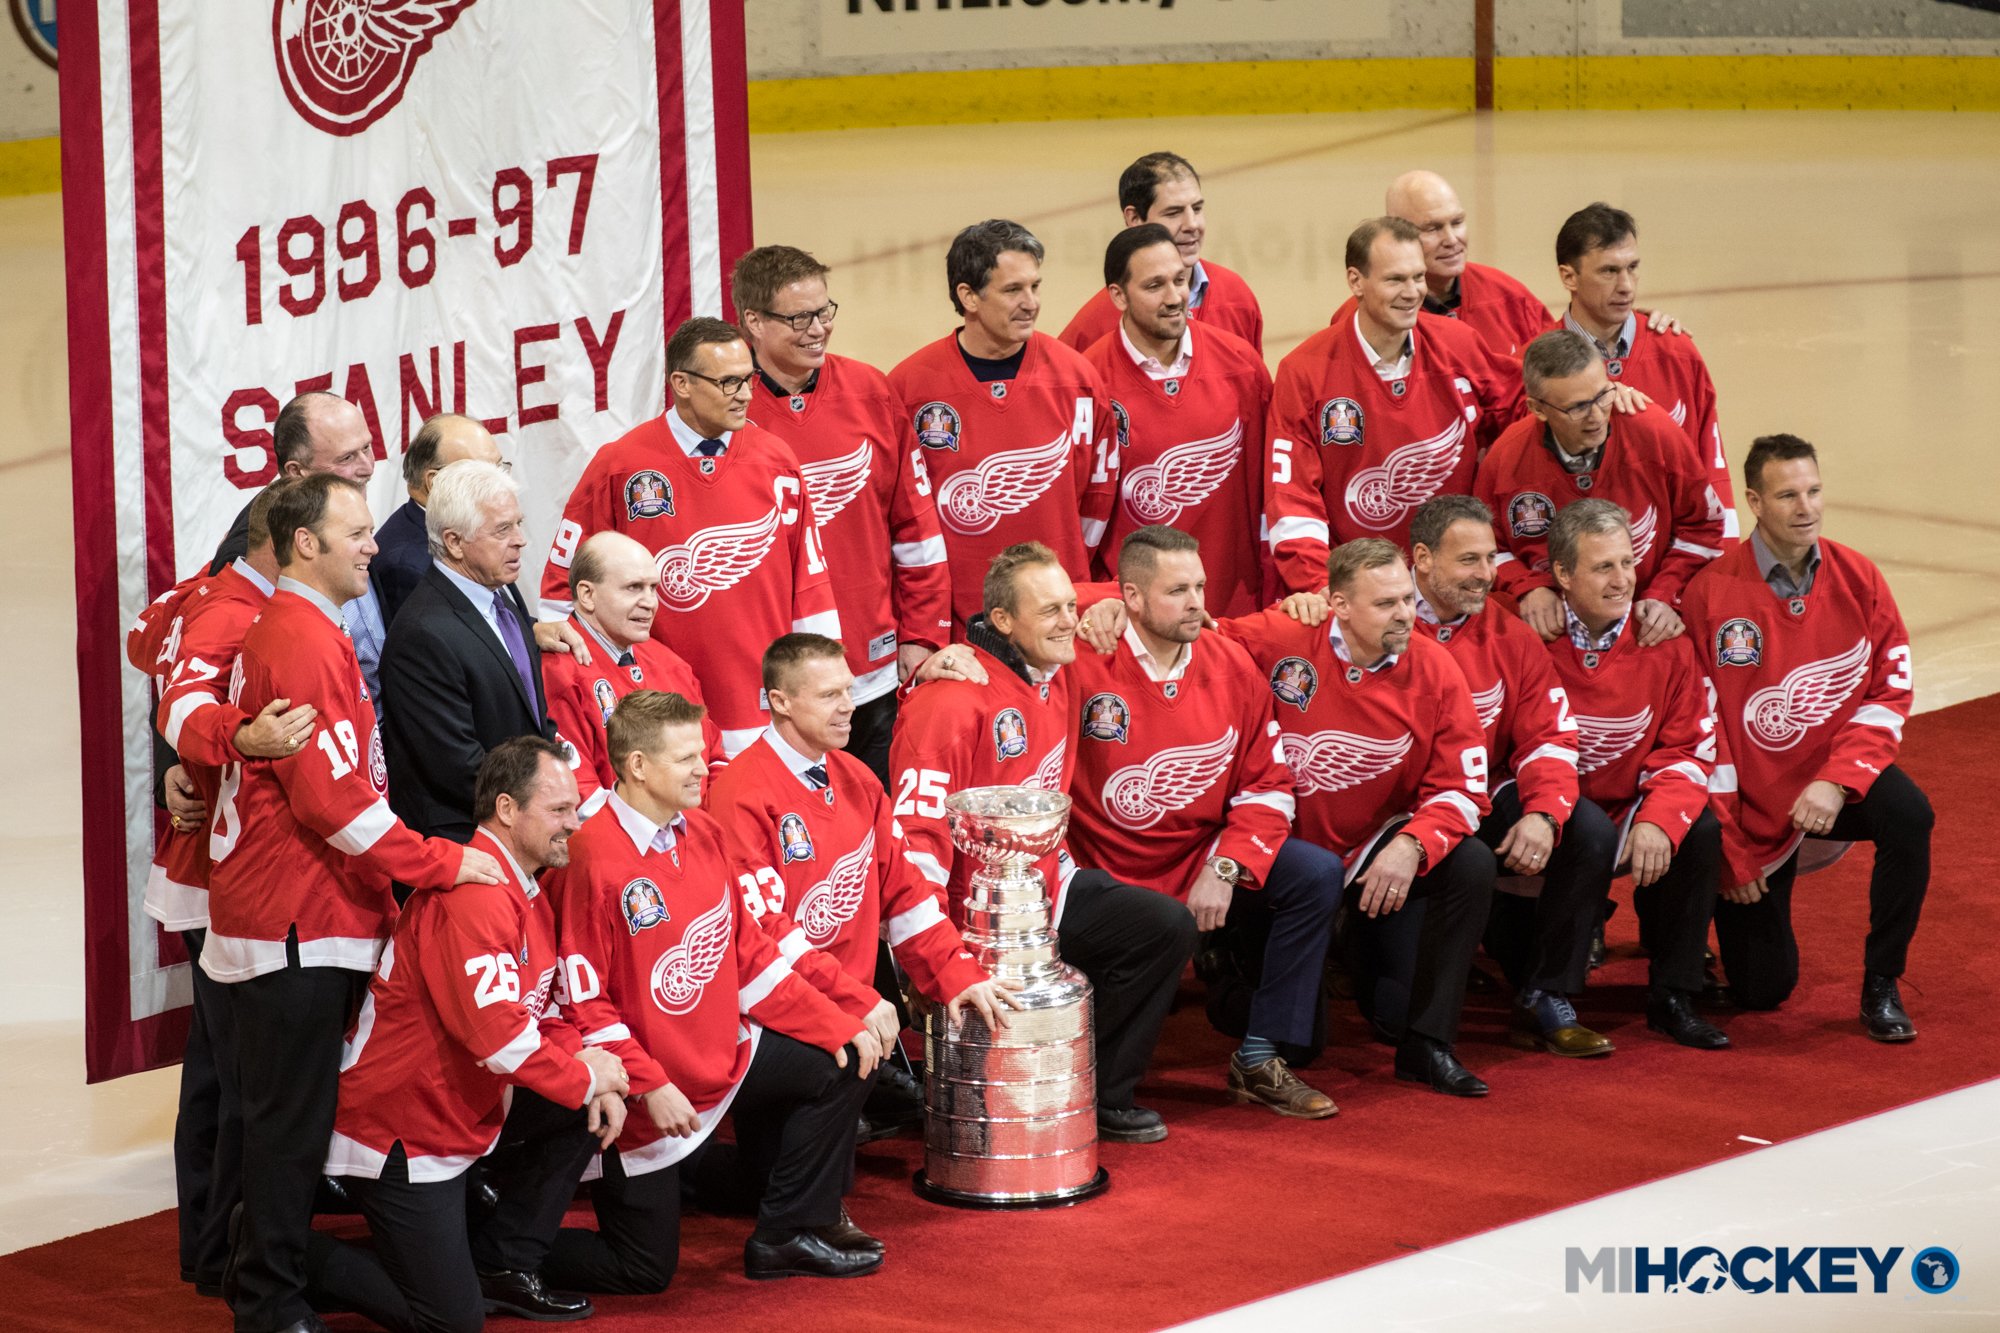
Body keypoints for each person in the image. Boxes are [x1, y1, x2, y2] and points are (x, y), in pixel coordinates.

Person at [201, 473, 501, 1333]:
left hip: (301, 916)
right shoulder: (299, 638)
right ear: (306, 543)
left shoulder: (305, 630)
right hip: (295, 920)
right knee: (288, 1126)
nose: (376, 545)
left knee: (282, 1120)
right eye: (358, 531)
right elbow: (333, 802)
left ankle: (265, 1279)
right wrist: (438, 863)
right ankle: (269, 1302)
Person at [543, 690, 886, 1288]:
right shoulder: (590, 857)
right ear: (639, 766)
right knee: (645, 1271)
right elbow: (582, 1002)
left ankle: (787, 1234)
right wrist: (651, 1086)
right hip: (646, 1091)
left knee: (847, 1057)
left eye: (702, 753)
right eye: (687, 759)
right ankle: (492, 1246)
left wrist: (839, 1025)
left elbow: (750, 958)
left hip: (720, 1058)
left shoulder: (702, 830)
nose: (706, 767)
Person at [312, 738, 626, 1331]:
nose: (574, 824)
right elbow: (498, 1038)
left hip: (459, 1114)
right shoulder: (477, 896)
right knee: (452, 1324)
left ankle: (503, 1263)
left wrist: (592, 1070)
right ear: (507, 809)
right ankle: (276, 1249)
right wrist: (585, 1076)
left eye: (575, 808)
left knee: (581, 1105)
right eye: (559, 810)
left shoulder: (524, 887)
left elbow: (538, 1008)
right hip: (402, 1130)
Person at [889, 543, 1198, 1142]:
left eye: (1070, 607)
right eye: (1050, 611)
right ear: (1003, 622)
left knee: (1164, 928)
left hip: (1045, 890)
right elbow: (913, 846)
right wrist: (934, 958)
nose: (1068, 623)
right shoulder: (950, 701)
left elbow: (1136, 593)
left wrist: (1103, 601)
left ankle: (1096, 1092)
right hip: (967, 914)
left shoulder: (1057, 665)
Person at [1066, 528, 1340, 1117]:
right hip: (1102, 865)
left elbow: (1269, 783)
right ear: (1132, 598)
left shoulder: (1231, 662)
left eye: (1200, 587)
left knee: (1315, 873)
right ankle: (1107, 1089)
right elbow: (1017, 603)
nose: (1197, 603)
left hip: (1199, 855)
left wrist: (1227, 863)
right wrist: (1094, 603)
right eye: (1177, 591)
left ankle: (1261, 1058)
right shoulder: (1081, 659)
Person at [710, 634, 1023, 1137]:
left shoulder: (858, 778)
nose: (847, 707)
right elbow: (764, 933)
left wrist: (956, 973)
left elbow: (907, 895)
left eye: (849, 691)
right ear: (781, 701)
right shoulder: (740, 795)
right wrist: (849, 1001)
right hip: (773, 1007)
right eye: (829, 695)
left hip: (847, 998)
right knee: (763, 1178)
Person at [1216, 538, 1496, 1096]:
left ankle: (1427, 1044)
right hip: (1282, 854)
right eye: (1384, 604)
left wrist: (1413, 843)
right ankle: (1230, 969)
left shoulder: (1436, 667)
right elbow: (1187, 630)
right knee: (1300, 1047)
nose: (1403, 614)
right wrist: (1103, 605)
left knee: (1471, 863)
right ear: (1337, 603)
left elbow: (1466, 789)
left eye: (1404, 599)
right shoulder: (1282, 636)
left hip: (1372, 850)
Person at [126, 487, 314, 1297]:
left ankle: (215, 1247)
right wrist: (232, 739)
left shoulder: (198, 596)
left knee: (226, 1072)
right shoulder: (234, 609)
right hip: (219, 873)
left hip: (209, 866)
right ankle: (222, 1253)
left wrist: (181, 760)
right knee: (239, 1080)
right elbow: (183, 695)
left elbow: (143, 643)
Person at [1682, 435, 1930, 1040]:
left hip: (1827, 784)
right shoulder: (1711, 593)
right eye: (1788, 494)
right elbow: (1697, 732)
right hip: (1749, 807)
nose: (1806, 507)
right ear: (1754, 502)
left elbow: (1890, 692)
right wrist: (1732, 854)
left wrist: (1837, 780)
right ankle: (1691, 941)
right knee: (1764, 991)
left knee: (1910, 816)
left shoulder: (1858, 576)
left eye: (1814, 491)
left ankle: (1882, 982)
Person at [540, 317, 841, 757]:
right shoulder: (619, 466)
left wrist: (819, 684)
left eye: (748, 378)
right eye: (728, 382)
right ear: (681, 383)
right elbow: (563, 590)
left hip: (764, 707)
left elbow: (809, 584)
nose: (744, 394)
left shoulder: (777, 460)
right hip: (659, 720)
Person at [1402, 496, 1615, 1056]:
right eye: (1468, 560)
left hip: (1474, 793)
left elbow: (1548, 736)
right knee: (1385, 1009)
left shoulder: (1510, 633)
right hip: (1389, 807)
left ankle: (1548, 991)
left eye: (1490, 558)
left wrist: (1545, 814)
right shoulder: (1379, 615)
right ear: (1421, 559)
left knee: (1588, 832)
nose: (1486, 575)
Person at [735, 245, 953, 785]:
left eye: (825, 311)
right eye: (799, 318)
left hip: (870, 675)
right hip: (768, 688)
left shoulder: (871, 392)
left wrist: (921, 633)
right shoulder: (724, 413)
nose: (817, 329)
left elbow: (916, 528)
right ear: (753, 322)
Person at [1537, 499, 1728, 1050]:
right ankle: (1554, 994)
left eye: (1627, 562)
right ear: (1563, 575)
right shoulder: (1530, 638)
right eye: (1603, 567)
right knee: (1587, 829)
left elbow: (1689, 749)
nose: (1623, 580)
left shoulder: (1666, 643)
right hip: (1558, 805)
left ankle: (1673, 993)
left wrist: (1659, 819)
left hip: (1632, 803)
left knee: (1698, 830)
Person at [1264, 217, 1522, 588]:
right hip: (1363, 592)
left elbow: (1527, 413)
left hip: (1454, 584)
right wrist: (1318, 585)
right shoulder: (1304, 372)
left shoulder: (1459, 344)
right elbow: (1292, 498)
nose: (1412, 292)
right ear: (1356, 281)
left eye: (1418, 277)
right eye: (1395, 280)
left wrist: (1601, 395)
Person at [886, 219, 1117, 630]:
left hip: (1059, 621)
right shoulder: (908, 389)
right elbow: (903, 521)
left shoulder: (1077, 379)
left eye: (1035, 286)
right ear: (968, 296)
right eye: (1013, 290)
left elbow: (1095, 502)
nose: (1031, 302)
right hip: (958, 628)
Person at [1477, 329, 1724, 645]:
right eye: (1578, 407)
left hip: (1646, 631)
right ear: (1537, 409)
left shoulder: (1655, 434)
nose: (1596, 417)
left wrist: (1665, 594)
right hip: (1553, 639)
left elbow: (1703, 527)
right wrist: (1528, 586)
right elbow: (1487, 547)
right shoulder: (1505, 460)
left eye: (1603, 395)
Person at [1082, 225, 1273, 618]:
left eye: (1180, 281)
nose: (1175, 299)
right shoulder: (1088, 381)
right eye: (1154, 286)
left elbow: (1270, 491)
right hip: (1135, 613)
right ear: (1118, 295)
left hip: (1235, 607)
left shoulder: (1241, 365)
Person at [382, 460, 553, 843]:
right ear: (454, 542)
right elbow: (457, 765)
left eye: (519, 524)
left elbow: (535, 715)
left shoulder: (502, 595)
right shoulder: (422, 634)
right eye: (502, 529)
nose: (521, 540)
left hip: (520, 824)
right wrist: (543, 805)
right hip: (469, 840)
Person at [1551, 202, 1739, 541]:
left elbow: (1711, 468)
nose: (1626, 285)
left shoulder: (1677, 352)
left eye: (1632, 267)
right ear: (1569, 277)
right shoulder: (1535, 367)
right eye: (1609, 271)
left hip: (1672, 574)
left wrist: (1718, 561)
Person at [210, 391, 391, 705]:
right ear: (296, 472)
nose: (367, 467)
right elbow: (223, 675)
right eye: (347, 458)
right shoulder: (255, 550)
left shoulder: (342, 506)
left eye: (367, 448)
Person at [541, 531, 724, 811]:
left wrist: (708, 832)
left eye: (653, 588)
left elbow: (713, 760)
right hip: (618, 846)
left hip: (691, 838)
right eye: (634, 588)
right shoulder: (555, 672)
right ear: (587, 595)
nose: (650, 603)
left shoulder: (671, 664)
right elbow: (579, 796)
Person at [1058, 151, 1264, 355]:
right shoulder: (1093, 325)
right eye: (1174, 213)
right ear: (1135, 219)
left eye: (1197, 209)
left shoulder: (1237, 294)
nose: (1192, 224)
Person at [373, 414, 503, 627]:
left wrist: (533, 629)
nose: (502, 486)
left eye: (500, 468)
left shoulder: (470, 528)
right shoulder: (409, 567)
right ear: (436, 482)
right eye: (484, 475)